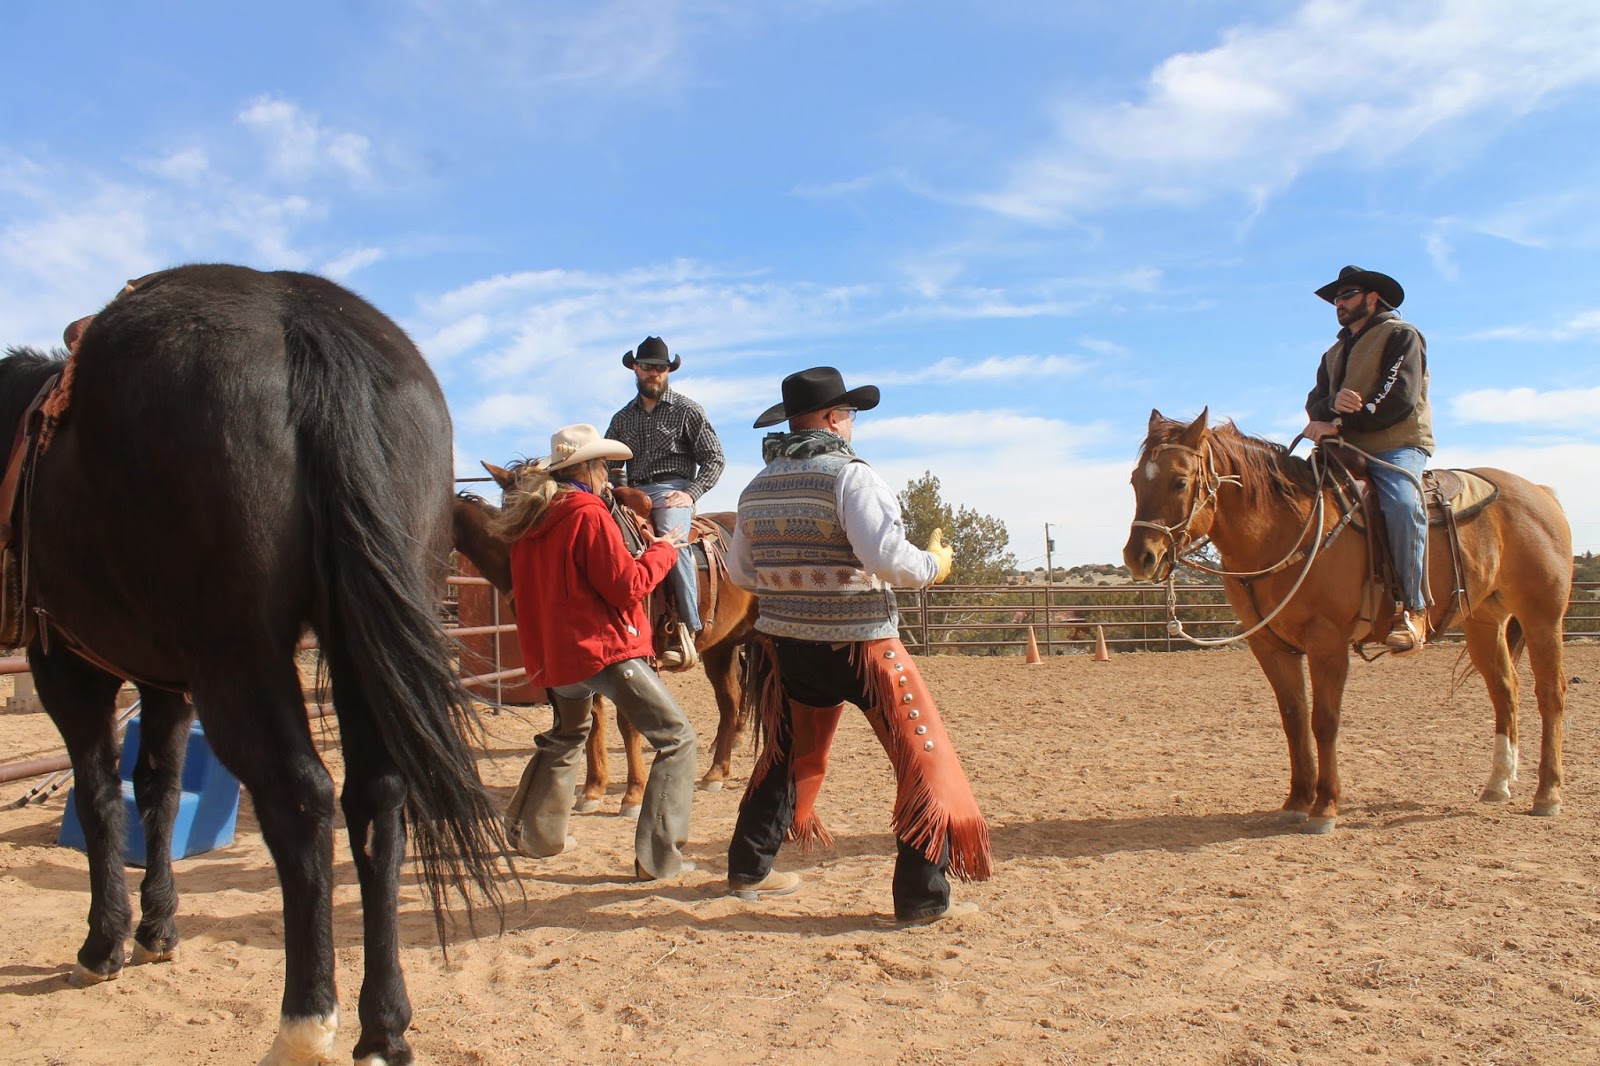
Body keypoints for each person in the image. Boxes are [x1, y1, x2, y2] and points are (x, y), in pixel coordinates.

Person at [723, 366, 992, 923]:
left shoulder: (755, 487)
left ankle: (749, 868)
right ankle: (920, 899)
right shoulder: (852, 477)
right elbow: (889, 560)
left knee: (780, 755)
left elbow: (742, 572)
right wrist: (934, 565)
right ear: (829, 419)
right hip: (863, 645)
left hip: (785, 646)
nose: (851, 424)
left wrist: (793, 585)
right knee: (923, 760)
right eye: (848, 413)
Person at [491, 423, 698, 880]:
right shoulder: (587, 512)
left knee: (567, 736)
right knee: (677, 739)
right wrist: (662, 551)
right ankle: (658, 860)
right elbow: (629, 586)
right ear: (587, 467)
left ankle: (536, 836)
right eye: (604, 465)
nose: (609, 473)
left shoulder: (528, 520)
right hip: (605, 651)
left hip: (558, 656)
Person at [1302, 265, 1433, 656]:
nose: (1339, 303)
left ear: (1372, 298)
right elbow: (1315, 402)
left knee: (1402, 503)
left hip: (1397, 443)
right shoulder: (1334, 353)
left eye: (1347, 295)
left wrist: (1340, 419)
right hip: (1347, 447)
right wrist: (1330, 409)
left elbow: (1400, 397)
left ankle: (1415, 609)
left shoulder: (1401, 335)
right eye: (1336, 298)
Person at [605, 336, 726, 669]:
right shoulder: (621, 419)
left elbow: (714, 458)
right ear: (635, 368)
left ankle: (686, 626)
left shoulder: (687, 410)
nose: (653, 373)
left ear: (668, 371)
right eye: (647, 367)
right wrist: (617, 488)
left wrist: (692, 492)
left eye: (659, 368)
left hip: (673, 489)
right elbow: (609, 463)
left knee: (673, 547)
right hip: (631, 492)